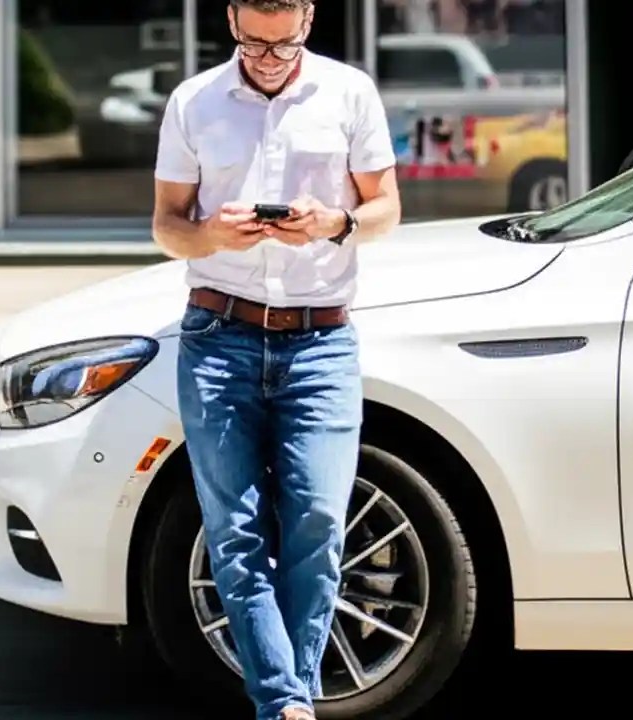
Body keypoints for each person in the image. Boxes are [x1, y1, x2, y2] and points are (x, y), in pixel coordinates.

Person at [150, 2, 402, 718]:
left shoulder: (349, 91)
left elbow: (386, 208)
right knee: (234, 528)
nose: (266, 57)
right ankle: (287, 703)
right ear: (231, 18)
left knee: (320, 517)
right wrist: (209, 236)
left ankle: (287, 699)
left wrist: (338, 222)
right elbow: (166, 226)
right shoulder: (193, 102)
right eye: (251, 42)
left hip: (321, 339)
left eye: (283, 43)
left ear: (308, 20)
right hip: (218, 334)